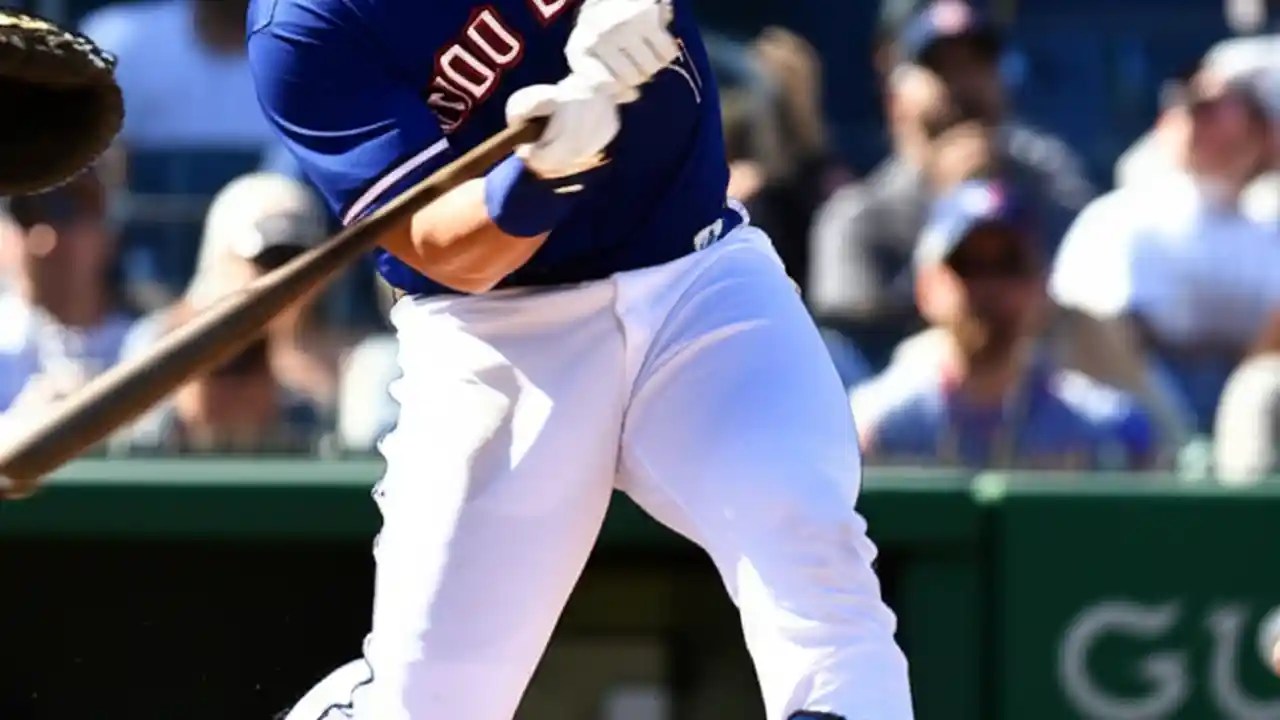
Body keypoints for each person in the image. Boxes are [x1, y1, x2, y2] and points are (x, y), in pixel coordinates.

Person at [247, 0, 915, 718]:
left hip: (698, 276)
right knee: (439, 700)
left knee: (812, 554)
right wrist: (541, 176)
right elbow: (444, 247)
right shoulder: (303, 27)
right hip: (498, 329)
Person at [807, 0, 1092, 342]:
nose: (964, 85)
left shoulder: (1048, 183)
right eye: (941, 66)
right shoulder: (860, 221)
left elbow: (1089, 312)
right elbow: (851, 360)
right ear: (894, 89)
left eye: (978, 63)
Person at [852, 180, 1155, 470]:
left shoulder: (1106, 431)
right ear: (926, 287)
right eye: (969, 266)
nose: (991, 288)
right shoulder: (875, 426)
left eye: (1009, 265)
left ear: (1042, 287)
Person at [1050, 66, 1280, 443]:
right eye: (1200, 110)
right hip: (1137, 403)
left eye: (1239, 114)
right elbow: (1092, 332)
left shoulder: (1269, 229)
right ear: (1166, 123)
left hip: (1247, 407)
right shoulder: (1117, 217)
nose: (1218, 127)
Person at [113, 172, 336, 453]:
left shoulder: (346, 355)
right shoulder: (159, 340)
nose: (286, 276)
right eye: (270, 259)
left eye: (298, 259)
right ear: (222, 254)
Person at [0, 167, 135, 424]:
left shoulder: (149, 344)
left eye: (67, 210)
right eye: (24, 213)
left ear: (110, 235)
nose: (45, 239)